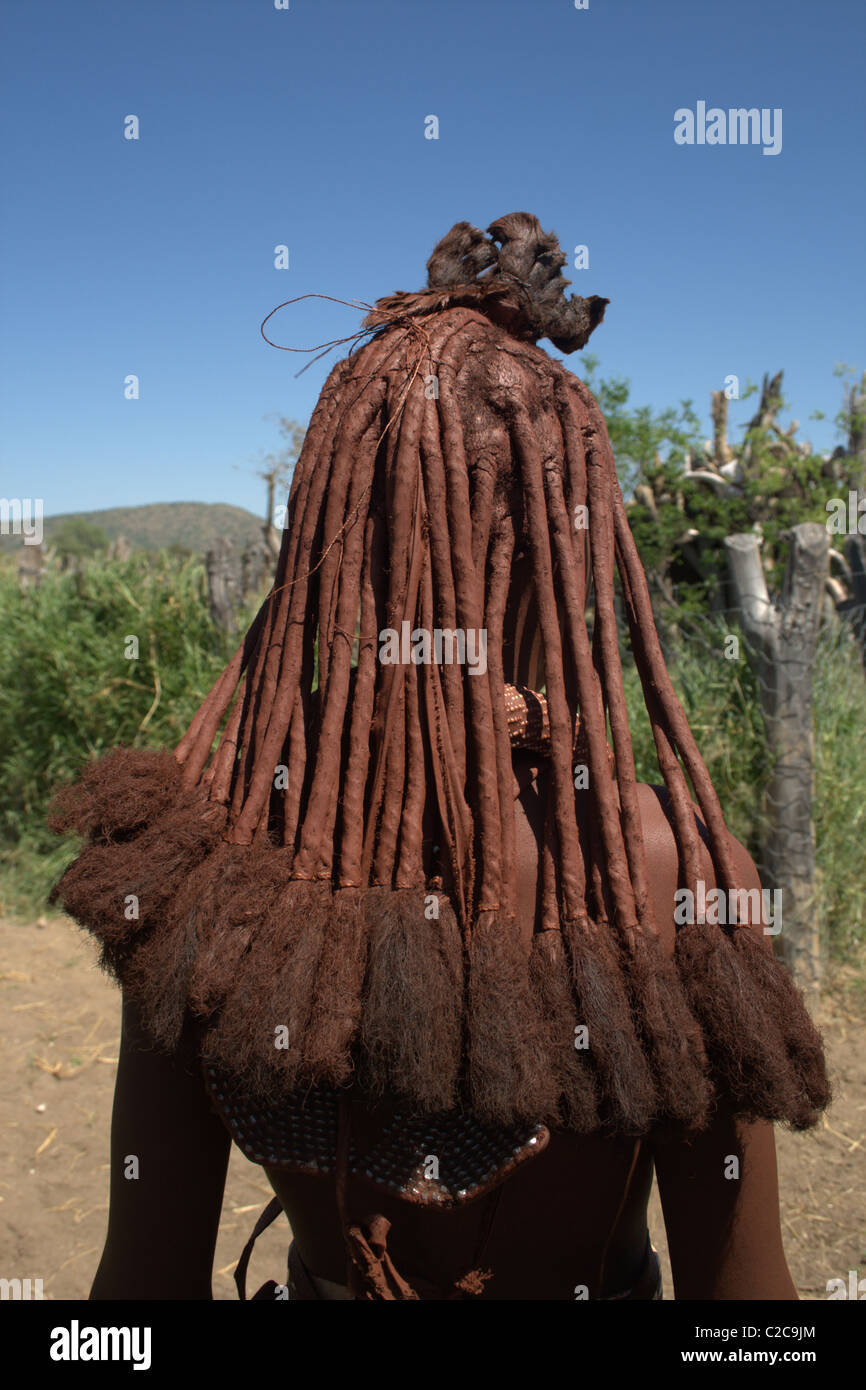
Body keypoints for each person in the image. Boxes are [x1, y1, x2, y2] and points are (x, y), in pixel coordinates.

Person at [50, 213, 830, 1301]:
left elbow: (137, 1292)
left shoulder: (198, 862)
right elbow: (744, 1309)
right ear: (575, 542)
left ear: (328, 527)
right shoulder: (672, 871)